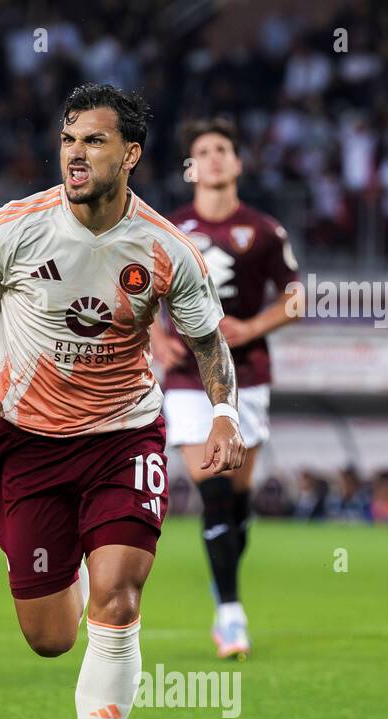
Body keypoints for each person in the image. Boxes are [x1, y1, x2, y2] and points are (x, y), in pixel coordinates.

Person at [0, 84, 244, 719]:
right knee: (50, 638)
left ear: (129, 155)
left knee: (119, 601)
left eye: (94, 140)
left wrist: (223, 414)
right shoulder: (15, 228)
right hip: (28, 443)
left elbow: (206, 341)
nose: (75, 152)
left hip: (124, 436)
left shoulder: (166, 249)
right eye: (68, 138)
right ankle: (51, 562)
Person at [150, 118, 301, 659]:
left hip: (249, 376)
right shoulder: (166, 229)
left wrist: (253, 327)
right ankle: (230, 614)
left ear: (237, 164)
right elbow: (134, 289)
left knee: (237, 503)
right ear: (191, 167)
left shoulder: (263, 230)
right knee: (213, 486)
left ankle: (226, 578)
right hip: (190, 377)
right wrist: (154, 338)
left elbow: (296, 297)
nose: (212, 158)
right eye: (202, 151)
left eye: (222, 150)